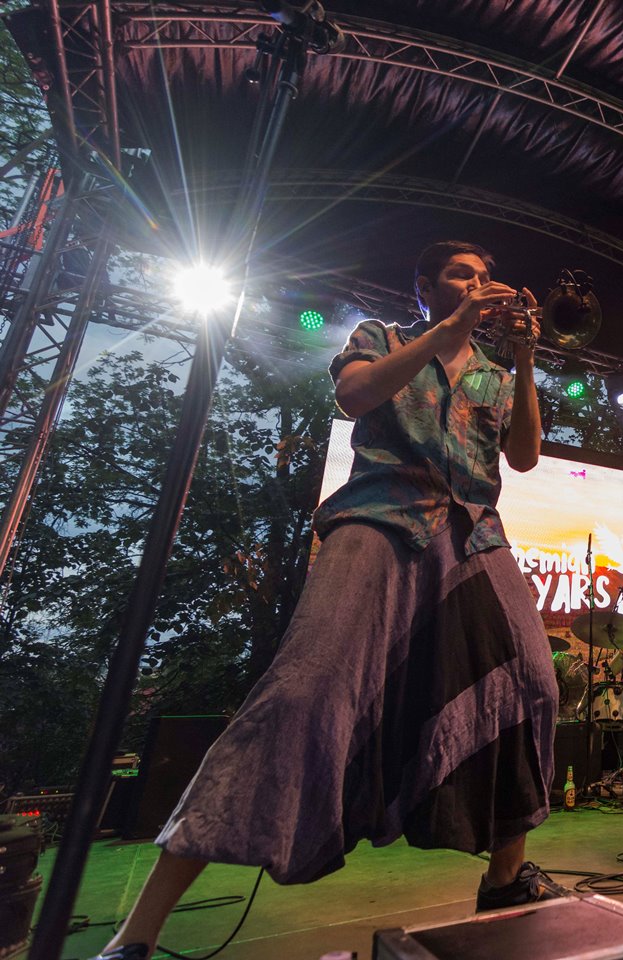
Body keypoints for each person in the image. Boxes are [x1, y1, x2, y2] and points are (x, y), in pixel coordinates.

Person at [94, 241, 558, 960]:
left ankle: (503, 878)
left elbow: (524, 456)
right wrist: (453, 326)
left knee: (532, 682)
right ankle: (137, 932)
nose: (477, 285)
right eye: (460, 275)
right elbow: (355, 395)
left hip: (473, 535)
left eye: (483, 276)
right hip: (380, 519)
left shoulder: (497, 374)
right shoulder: (383, 336)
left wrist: (525, 360)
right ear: (425, 285)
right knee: (303, 694)